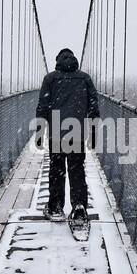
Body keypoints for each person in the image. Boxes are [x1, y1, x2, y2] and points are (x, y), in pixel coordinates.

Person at [35, 47, 99, 222]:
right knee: (77, 170)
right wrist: (93, 134)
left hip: (56, 133)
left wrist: (39, 133)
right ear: (74, 60)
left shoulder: (50, 79)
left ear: (58, 62)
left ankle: (55, 207)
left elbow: (42, 106)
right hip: (76, 133)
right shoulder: (84, 78)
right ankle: (79, 207)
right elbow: (94, 107)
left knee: (57, 170)